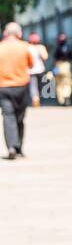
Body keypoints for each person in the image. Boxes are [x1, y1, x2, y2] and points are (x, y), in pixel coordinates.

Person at [0, 22, 34, 159]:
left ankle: (11, 147)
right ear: (19, 34)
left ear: (5, 33)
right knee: (20, 117)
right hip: (21, 86)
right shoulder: (25, 47)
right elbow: (31, 64)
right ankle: (18, 147)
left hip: (3, 87)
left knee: (8, 116)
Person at [27, 32, 48, 109]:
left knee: (37, 86)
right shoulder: (28, 47)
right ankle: (36, 99)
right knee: (34, 85)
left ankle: (36, 99)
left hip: (38, 70)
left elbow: (45, 57)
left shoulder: (40, 47)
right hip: (33, 70)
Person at [53, 33, 72, 106]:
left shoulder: (57, 48)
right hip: (66, 66)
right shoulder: (68, 47)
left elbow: (55, 58)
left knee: (60, 84)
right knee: (67, 82)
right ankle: (65, 96)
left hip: (59, 65)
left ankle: (62, 99)